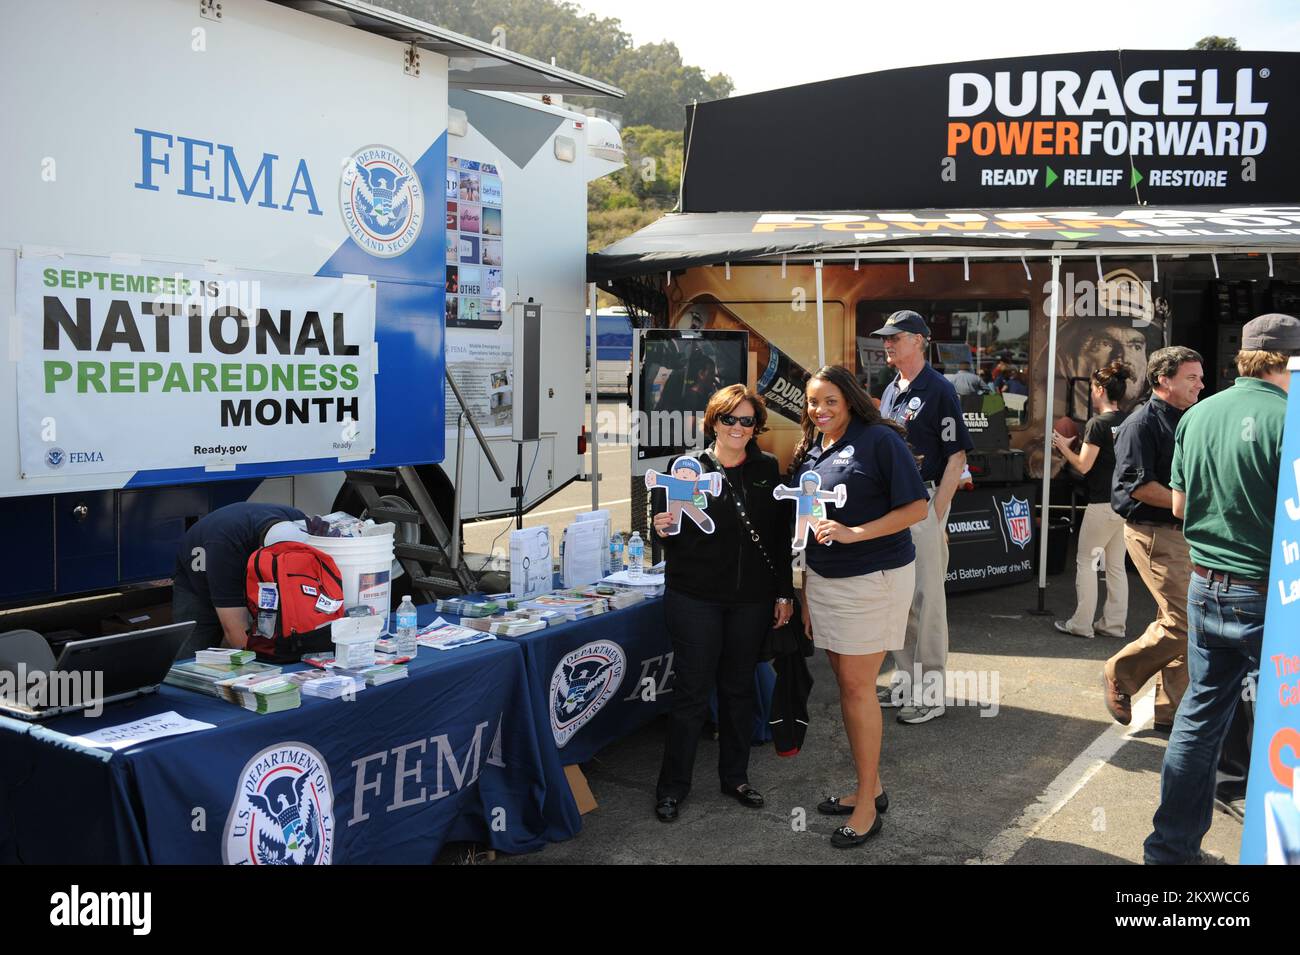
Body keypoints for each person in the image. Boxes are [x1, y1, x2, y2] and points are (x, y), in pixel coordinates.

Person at [1144, 314, 1300, 864]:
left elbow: (1180, 506)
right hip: (1271, 593)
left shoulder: (1198, 414)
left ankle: (1170, 850)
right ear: (1290, 360)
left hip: (1207, 585)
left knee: (1199, 719)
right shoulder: (1290, 418)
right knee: (1284, 721)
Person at [793, 365, 929, 847]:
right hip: (826, 580)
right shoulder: (813, 447)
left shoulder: (880, 440)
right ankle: (871, 787)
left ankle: (867, 807)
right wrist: (804, 591)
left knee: (856, 689)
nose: (820, 409)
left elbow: (917, 508)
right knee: (849, 685)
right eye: (813, 401)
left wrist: (855, 533)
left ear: (850, 399)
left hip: (874, 579)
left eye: (830, 400)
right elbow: (805, 523)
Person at [651, 384, 795, 823]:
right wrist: (660, 527)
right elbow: (667, 534)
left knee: (738, 691)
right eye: (729, 418)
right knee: (692, 694)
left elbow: (779, 539)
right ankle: (672, 787)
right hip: (694, 598)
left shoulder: (766, 469)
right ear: (713, 422)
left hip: (750, 601)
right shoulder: (686, 468)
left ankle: (735, 778)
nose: (737, 427)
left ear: (756, 426)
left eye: (747, 420)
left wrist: (784, 593)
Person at [875, 310, 975, 724]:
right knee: (899, 599)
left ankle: (931, 693)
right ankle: (907, 680)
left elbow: (957, 456)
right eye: (886, 337)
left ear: (918, 340)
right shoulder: (891, 389)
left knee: (927, 601)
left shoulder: (939, 389)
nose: (887, 343)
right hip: (894, 505)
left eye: (895, 337)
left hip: (922, 502)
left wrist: (936, 515)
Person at [1102, 346, 1205, 732]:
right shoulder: (1140, 424)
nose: (1200, 385)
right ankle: (1120, 673)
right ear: (1163, 380)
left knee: (1180, 620)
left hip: (1183, 533)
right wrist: (1195, 504)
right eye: (1191, 378)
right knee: (1186, 622)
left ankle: (1171, 712)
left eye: (1200, 377)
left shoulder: (1190, 418)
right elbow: (1139, 487)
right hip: (1153, 533)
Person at [1051, 361, 1134, 638]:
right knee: (1115, 566)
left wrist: (1062, 446)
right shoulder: (1128, 421)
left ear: (1099, 390)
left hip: (1101, 504)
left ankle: (1081, 623)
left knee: (1086, 562)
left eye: (1092, 388)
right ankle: (1114, 624)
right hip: (1123, 503)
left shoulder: (1097, 424)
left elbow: (1084, 465)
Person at [171, 501, 308, 657]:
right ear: (261, 550)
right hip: (199, 583)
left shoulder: (299, 522)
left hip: (238, 554)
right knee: (191, 657)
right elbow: (234, 631)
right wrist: (261, 667)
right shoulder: (225, 547)